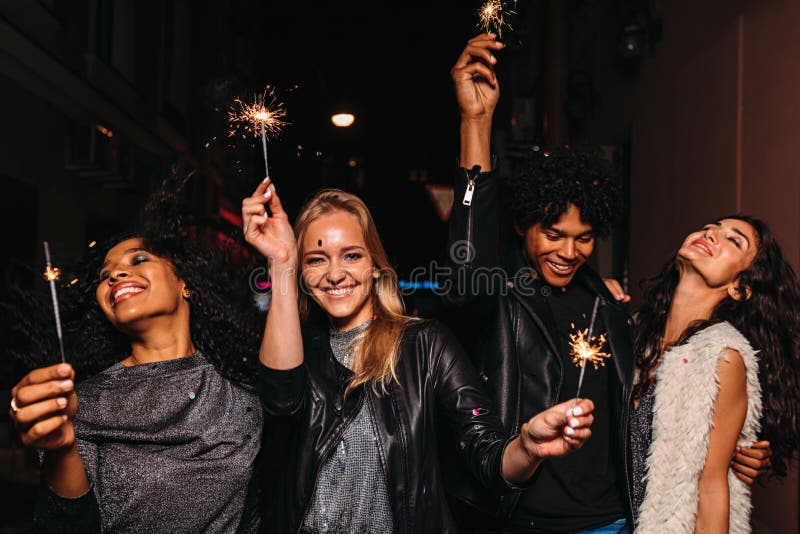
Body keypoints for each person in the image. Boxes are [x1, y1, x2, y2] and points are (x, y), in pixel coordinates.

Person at [442, 33, 771, 533]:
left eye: (584, 238)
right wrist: (476, 123)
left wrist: (737, 452)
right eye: (553, 235)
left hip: (614, 523)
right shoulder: (500, 298)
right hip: (521, 521)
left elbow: (667, 416)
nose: (568, 252)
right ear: (523, 227)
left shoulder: (612, 309)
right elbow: (466, 276)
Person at [241, 181, 597, 533]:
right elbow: (281, 405)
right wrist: (282, 262)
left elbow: (485, 449)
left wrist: (527, 448)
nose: (335, 274)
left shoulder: (426, 346)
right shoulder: (297, 350)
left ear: (375, 264)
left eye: (351, 255)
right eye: (317, 260)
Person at [7, 170, 266, 533]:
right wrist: (61, 449)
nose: (114, 276)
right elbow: (67, 527)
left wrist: (283, 263)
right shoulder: (86, 402)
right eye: (104, 275)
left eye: (138, 260)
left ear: (185, 283)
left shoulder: (240, 392)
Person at [629, 215, 800, 532]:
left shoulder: (722, 357)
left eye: (733, 240)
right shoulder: (632, 333)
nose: (710, 234)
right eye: (710, 227)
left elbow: (709, 489)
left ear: (739, 288)